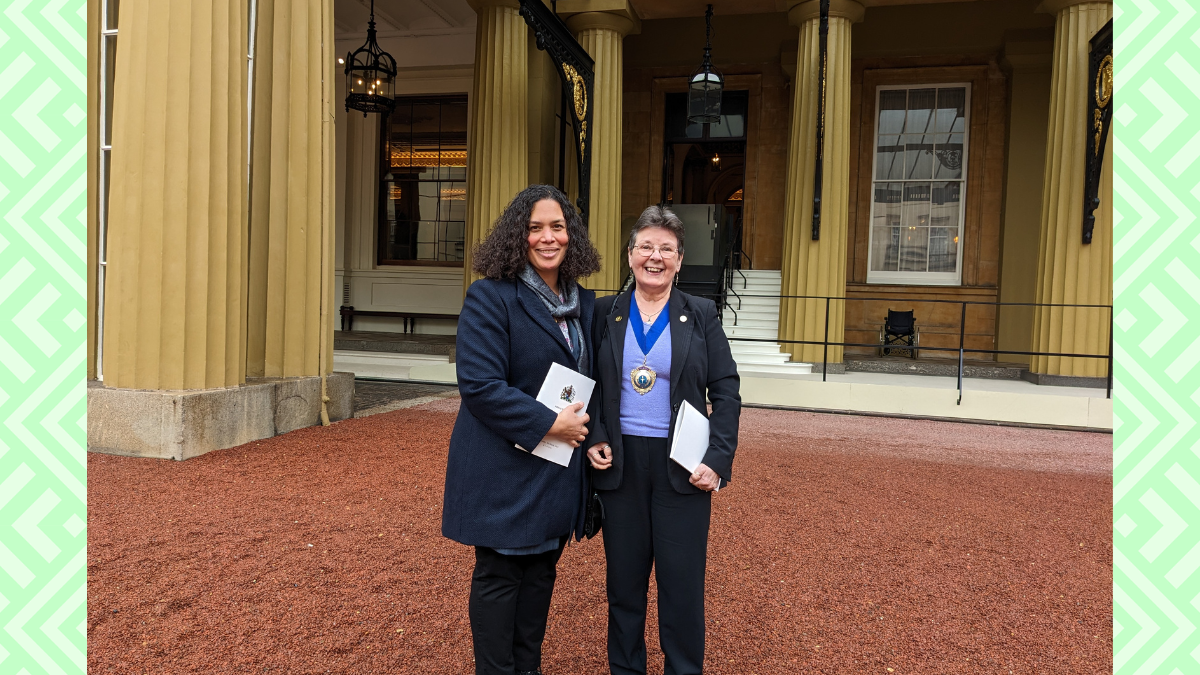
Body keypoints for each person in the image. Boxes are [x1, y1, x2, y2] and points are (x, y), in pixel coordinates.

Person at [442, 184, 602, 675]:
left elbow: (592, 379)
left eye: (558, 227)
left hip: (555, 469)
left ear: (572, 235)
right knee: (501, 575)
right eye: (535, 228)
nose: (548, 237)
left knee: (540, 576)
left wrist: (592, 437)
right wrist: (550, 423)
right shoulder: (491, 296)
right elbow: (480, 384)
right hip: (505, 465)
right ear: (519, 235)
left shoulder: (583, 304)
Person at [585, 205, 741, 675]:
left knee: (682, 588)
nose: (655, 257)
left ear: (679, 259)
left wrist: (718, 457)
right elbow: (588, 381)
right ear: (630, 254)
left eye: (666, 249)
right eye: (646, 247)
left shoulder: (702, 313)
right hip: (621, 465)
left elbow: (726, 390)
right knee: (624, 588)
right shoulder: (604, 312)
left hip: (682, 466)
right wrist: (594, 434)